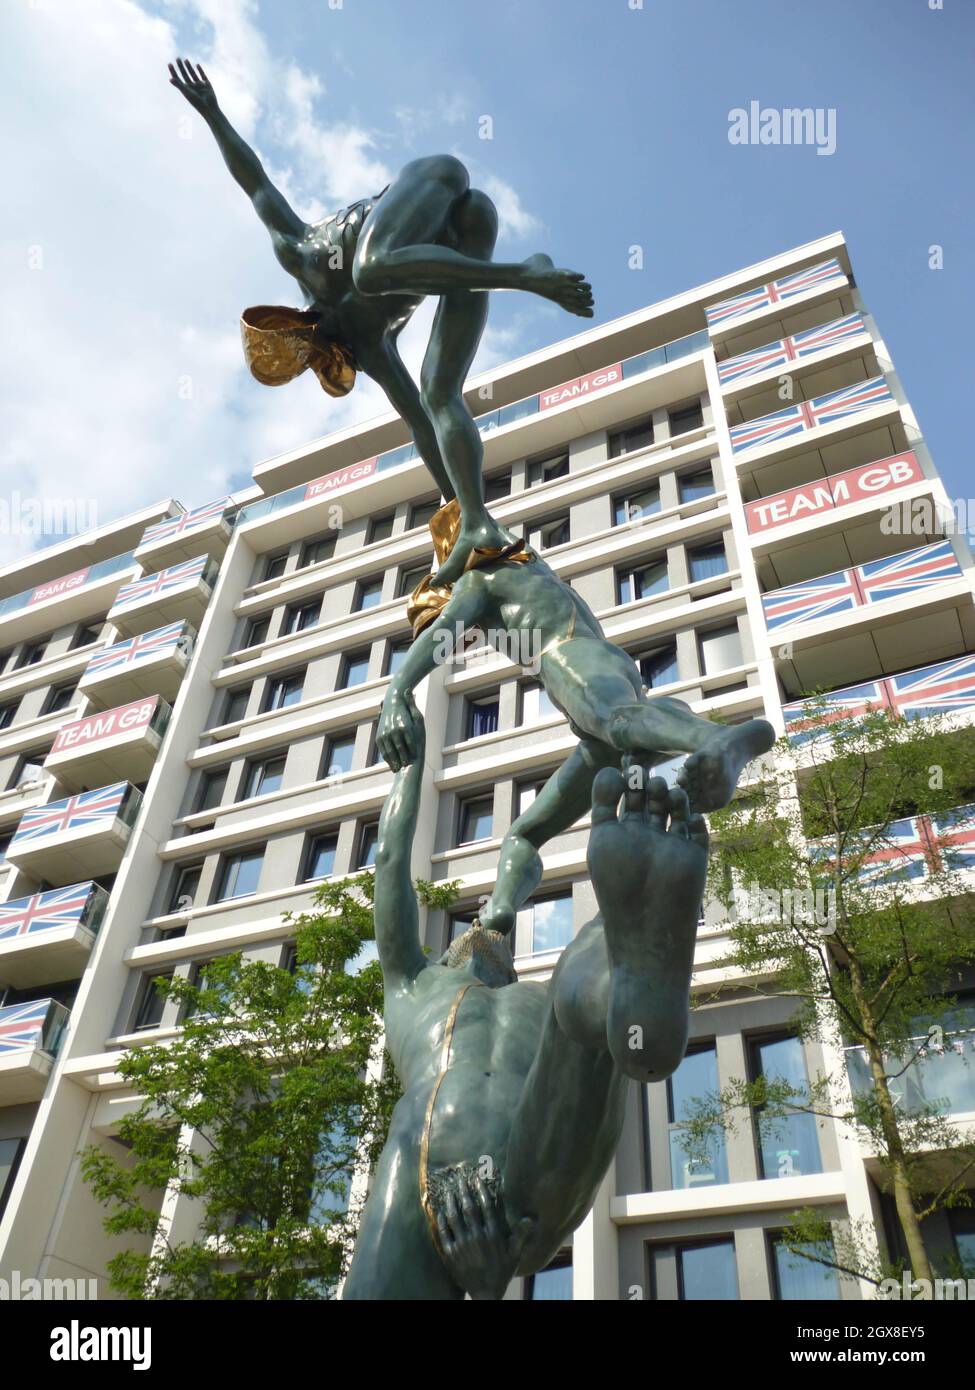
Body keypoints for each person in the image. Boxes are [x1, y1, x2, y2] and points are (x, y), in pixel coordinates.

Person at [168, 59, 593, 584]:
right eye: (308, 362)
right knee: (440, 398)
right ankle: (478, 521)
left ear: (290, 322)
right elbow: (420, 423)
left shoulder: (302, 255)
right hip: (468, 233)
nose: (313, 353)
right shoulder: (366, 346)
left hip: (434, 181)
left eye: (300, 345)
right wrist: (453, 503)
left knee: (369, 270)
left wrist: (213, 114)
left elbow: (256, 185)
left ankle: (526, 274)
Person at [342, 695, 710, 1300]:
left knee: (581, 1006)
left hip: (531, 1162)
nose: (484, 932)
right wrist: (408, 769)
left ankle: (628, 959)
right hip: (428, 1183)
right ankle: (625, 951)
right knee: (573, 996)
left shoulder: (541, 999)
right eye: (474, 927)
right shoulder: (410, 981)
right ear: (450, 950)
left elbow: (515, 859)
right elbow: (389, 858)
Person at [377, 498, 775, 937]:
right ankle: (497, 917)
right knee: (525, 833)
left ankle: (724, 737)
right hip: (602, 700)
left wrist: (397, 691)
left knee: (618, 721)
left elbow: (442, 634)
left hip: (568, 659)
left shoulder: (481, 581)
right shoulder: (534, 572)